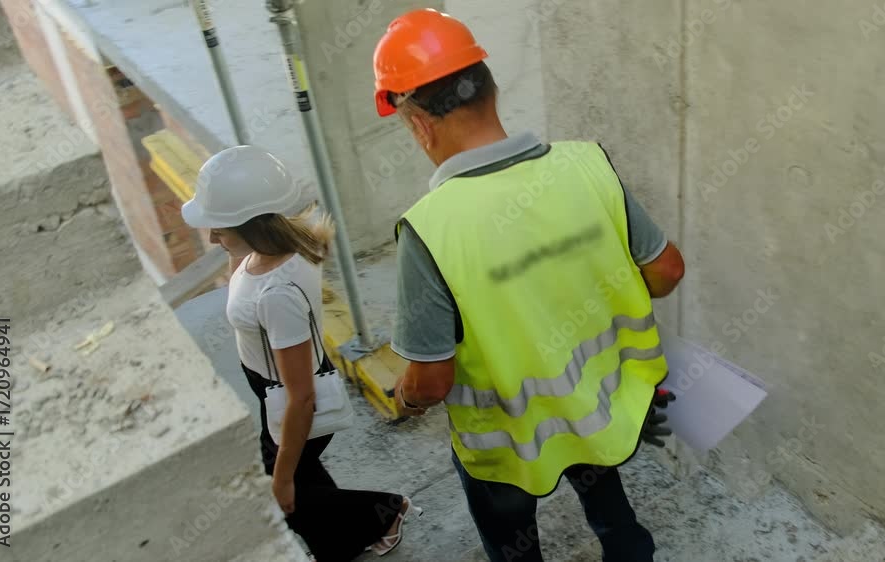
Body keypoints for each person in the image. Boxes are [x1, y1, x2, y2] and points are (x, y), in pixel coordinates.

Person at [373, 9, 685, 562]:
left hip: (509, 445)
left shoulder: (429, 231)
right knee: (610, 505)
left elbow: (432, 381)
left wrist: (403, 396)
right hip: (598, 405)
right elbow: (666, 272)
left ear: (418, 123)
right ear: (491, 91)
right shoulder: (588, 166)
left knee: (515, 547)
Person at [180, 145, 421, 561]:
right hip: (276, 386)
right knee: (300, 476)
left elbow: (302, 397)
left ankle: (387, 512)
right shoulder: (279, 253)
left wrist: (282, 480)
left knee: (284, 489)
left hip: (287, 397)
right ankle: (338, 542)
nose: (212, 236)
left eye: (220, 226)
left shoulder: (278, 295)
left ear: (255, 226)